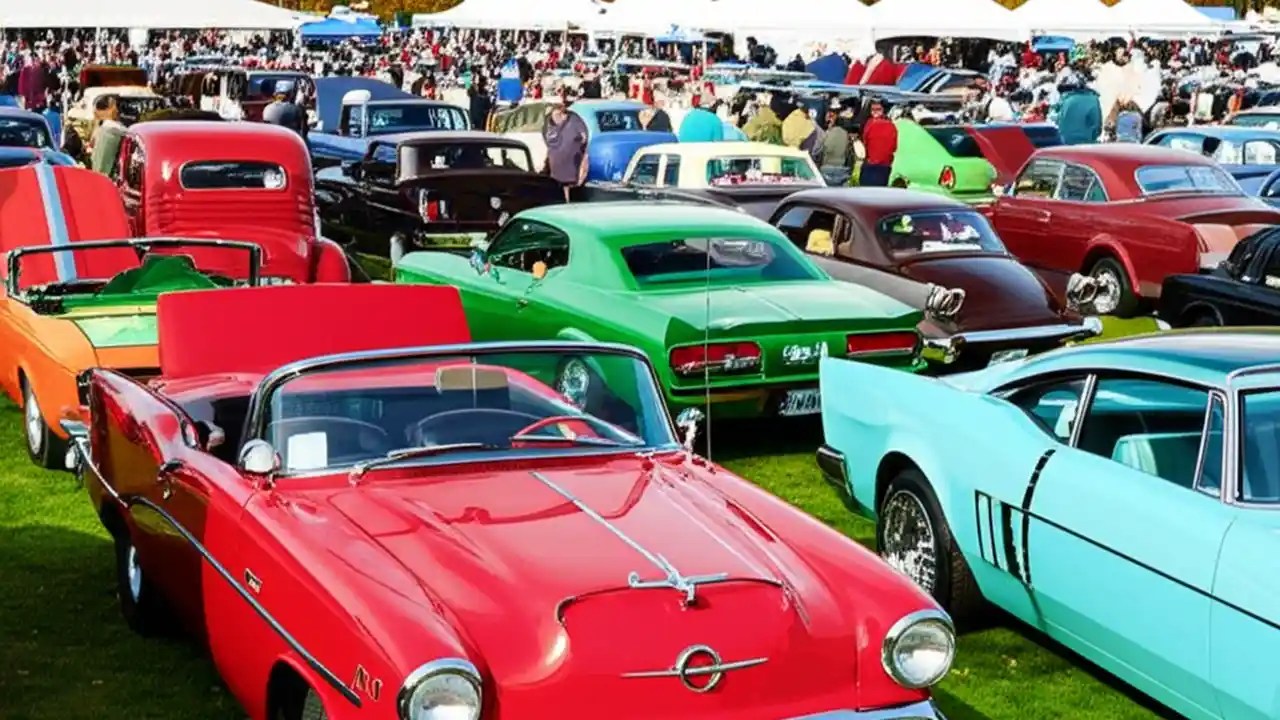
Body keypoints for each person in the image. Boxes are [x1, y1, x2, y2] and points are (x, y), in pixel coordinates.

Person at [543, 99, 588, 202]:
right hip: (556, 168)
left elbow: (584, 139)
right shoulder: (549, 123)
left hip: (571, 168)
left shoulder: (574, 121)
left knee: (569, 189)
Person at [1056, 73, 1103, 145]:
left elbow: (1056, 123)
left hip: (1064, 145)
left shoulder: (1064, 101)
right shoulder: (1093, 100)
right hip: (1087, 145)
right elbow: (1097, 127)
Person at [859, 100, 897, 187]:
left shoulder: (869, 124)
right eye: (873, 109)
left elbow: (865, 143)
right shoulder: (891, 126)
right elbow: (894, 147)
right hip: (885, 166)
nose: (875, 112)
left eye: (878, 109)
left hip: (871, 165)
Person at [89, 95, 125, 178]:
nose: (117, 110)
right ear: (107, 110)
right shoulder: (112, 128)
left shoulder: (101, 128)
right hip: (106, 176)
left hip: (97, 173)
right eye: (114, 107)